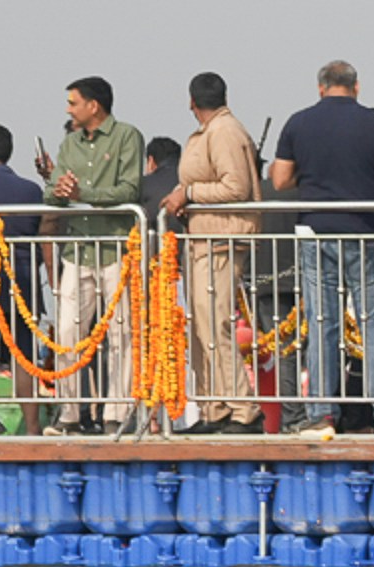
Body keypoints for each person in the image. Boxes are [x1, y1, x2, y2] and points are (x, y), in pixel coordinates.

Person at [266, 61, 374, 434]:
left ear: (320, 88)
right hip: (367, 232)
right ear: (356, 87)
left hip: (316, 231)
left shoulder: (298, 122)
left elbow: (280, 180)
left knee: (321, 322)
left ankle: (321, 415)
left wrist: (311, 171)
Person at [27, 77, 147, 433]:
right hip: (77, 250)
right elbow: (52, 195)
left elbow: (130, 189)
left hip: (114, 249)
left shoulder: (127, 136)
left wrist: (85, 191)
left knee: (121, 335)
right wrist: (61, 191)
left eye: (73, 102)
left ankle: (118, 413)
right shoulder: (68, 145)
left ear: (93, 106)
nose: (68, 109)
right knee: (67, 333)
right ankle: (69, 414)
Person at [155, 74, 263, 434]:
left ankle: (243, 408)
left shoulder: (224, 132)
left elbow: (237, 187)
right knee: (201, 326)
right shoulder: (209, 133)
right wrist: (190, 198)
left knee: (215, 322)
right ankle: (214, 406)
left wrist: (190, 193)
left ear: (191, 102)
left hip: (223, 238)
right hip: (203, 237)